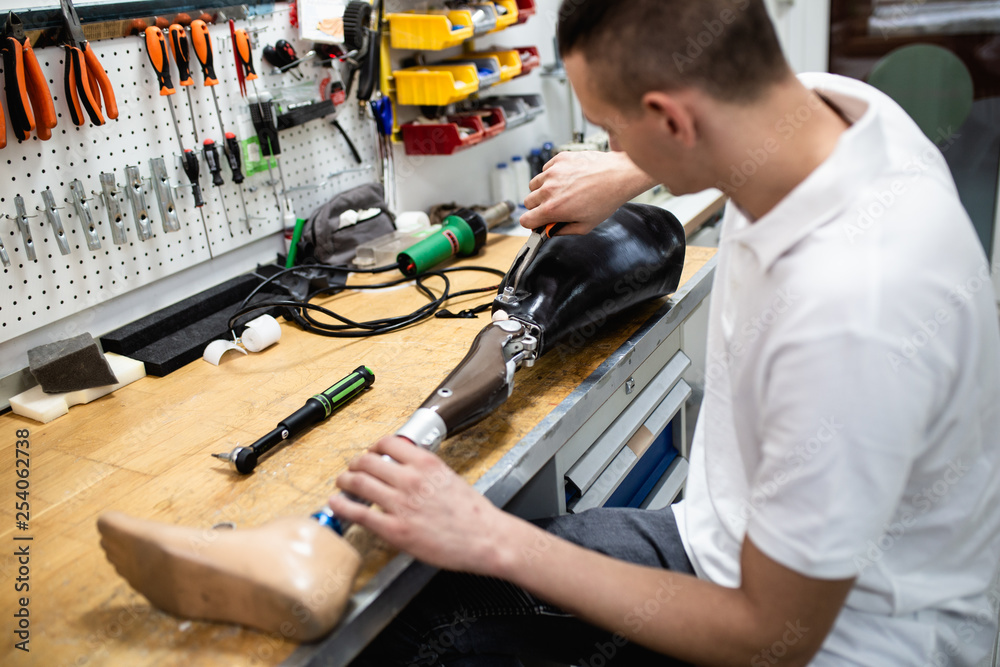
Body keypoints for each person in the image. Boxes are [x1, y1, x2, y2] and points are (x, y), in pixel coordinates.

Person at [332, 0, 1000, 665]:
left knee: (426, 634)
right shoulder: (846, 114)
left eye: (609, 129)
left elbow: (770, 638)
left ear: (675, 120)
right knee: (430, 608)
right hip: (726, 542)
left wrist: (488, 535)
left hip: (847, 638)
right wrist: (633, 168)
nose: (606, 148)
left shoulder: (850, 312)